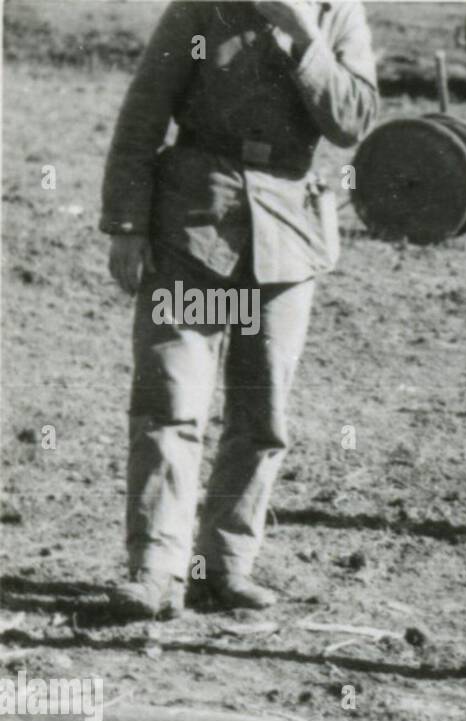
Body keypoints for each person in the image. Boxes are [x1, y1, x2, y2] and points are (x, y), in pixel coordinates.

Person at [100, 2, 377, 618]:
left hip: (285, 237)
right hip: (195, 226)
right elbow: (145, 110)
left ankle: (224, 566)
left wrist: (305, 35)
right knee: (171, 402)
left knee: (261, 413)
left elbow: (353, 120)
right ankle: (156, 570)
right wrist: (125, 222)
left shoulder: (338, 13)